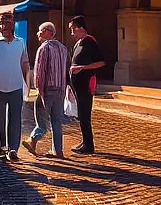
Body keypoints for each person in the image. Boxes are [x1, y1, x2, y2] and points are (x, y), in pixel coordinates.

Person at [0, 18, 31, 159]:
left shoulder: (20, 42)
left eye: (7, 23)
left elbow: (24, 63)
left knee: (15, 118)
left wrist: (28, 83)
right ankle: (2, 146)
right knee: (0, 118)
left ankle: (13, 149)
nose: (4, 26)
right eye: (1, 23)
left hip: (16, 85)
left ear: (12, 25)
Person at [28, 22, 71, 159]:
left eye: (40, 31)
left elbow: (40, 72)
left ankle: (33, 140)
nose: (38, 34)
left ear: (47, 32)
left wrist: (39, 90)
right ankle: (58, 150)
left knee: (41, 118)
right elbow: (67, 70)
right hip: (60, 88)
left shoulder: (44, 48)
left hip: (47, 89)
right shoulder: (63, 49)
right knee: (56, 120)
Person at [68, 17, 104, 154]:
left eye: (73, 29)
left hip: (86, 85)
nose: (72, 33)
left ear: (80, 28)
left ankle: (89, 145)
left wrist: (82, 67)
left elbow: (101, 62)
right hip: (77, 86)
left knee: (85, 115)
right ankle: (85, 141)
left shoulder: (90, 42)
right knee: (81, 115)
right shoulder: (78, 43)